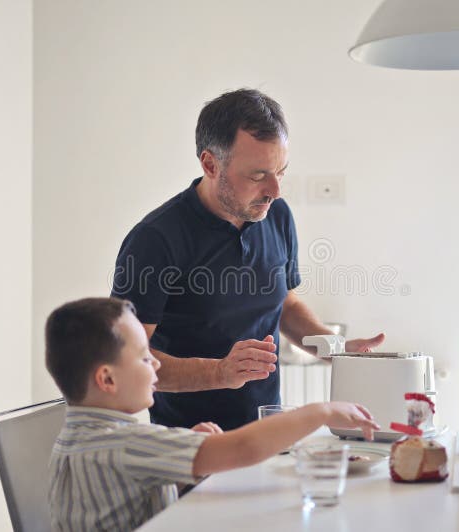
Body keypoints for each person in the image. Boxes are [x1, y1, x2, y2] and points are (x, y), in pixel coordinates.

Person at [111, 88, 385, 430]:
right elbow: (126, 360)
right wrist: (219, 372)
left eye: (280, 172)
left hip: (265, 435)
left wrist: (336, 349)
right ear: (211, 164)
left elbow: (284, 305)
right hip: (190, 446)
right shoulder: (154, 240)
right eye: (258, 176)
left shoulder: (276, 214)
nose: (275, 190)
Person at [45, 297, 380, 531]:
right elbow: (242, 449)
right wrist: (321, 411)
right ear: (107, 379)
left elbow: (119, 497)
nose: (157, 364)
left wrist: (179, 464)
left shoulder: (78, 439)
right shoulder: (123, 443)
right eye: (145, 358)